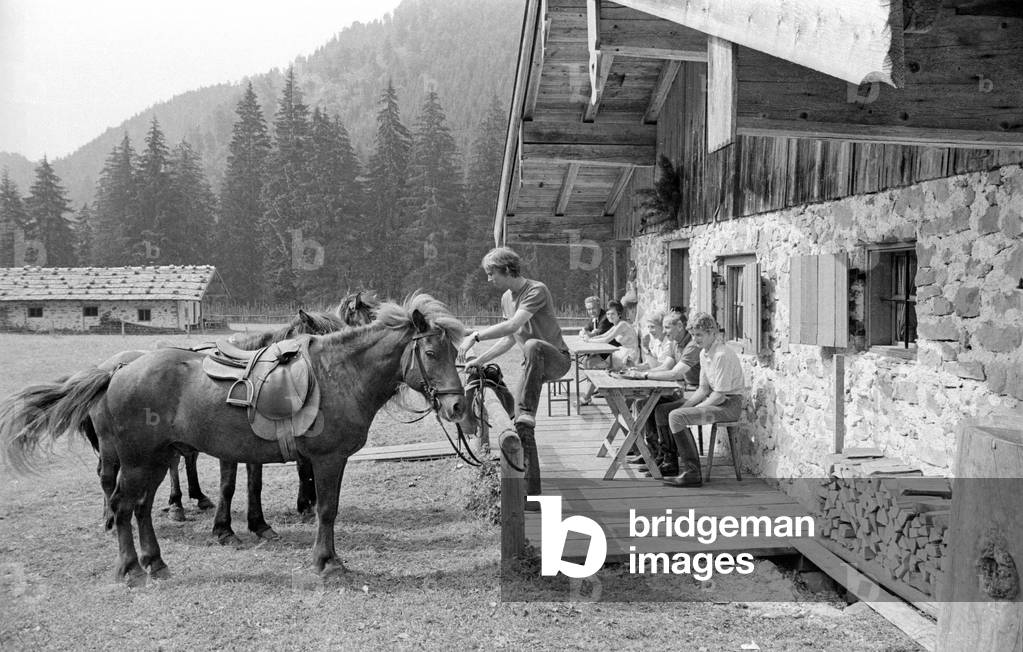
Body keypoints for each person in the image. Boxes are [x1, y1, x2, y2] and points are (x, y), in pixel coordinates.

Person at [457, 247, 571, 507]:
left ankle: (527, 410)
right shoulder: (507, 298)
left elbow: (513, 326)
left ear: (507, 269)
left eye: (491, 273)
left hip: (556, 360)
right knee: (521, 427)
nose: (489, 279)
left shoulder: (536, 290)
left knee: (532, 346)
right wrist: (480, 359)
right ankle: (532, 496)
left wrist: (475, 336)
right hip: (532, 366)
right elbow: (509, 338)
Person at [659, 312, 745, 488]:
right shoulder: (704, 354)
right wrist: (688, 406)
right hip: (717, 399)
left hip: (729, 405)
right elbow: (703, 389)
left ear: (713, 333)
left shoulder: (721, 355)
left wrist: (692, 412)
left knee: (677, 417)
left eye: (700, 335)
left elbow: (720, 395)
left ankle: (692, 473)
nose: (696, 339)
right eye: (693, 335)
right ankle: (670, 462)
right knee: (672, 412)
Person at [620, 310, 701, 476]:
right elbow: (665, 367)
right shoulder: (676, 343)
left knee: (661, 410)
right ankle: (655, 454)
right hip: (684, 390)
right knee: (645, 403)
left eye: (667, 327)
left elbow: (674, 374)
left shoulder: (691, 345)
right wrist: (639, 374)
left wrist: (644, 375)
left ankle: (670, 461)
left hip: (696, 393)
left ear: (680, 326)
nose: (664, 332)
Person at [579, 300, 641, 405]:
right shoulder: (616, 325)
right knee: (590, 361)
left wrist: (589, 340)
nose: (609, 316)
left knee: (592, 363)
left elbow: (607, 339)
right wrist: (589, 337)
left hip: (629, 356)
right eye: (608, 313)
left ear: (619, 314)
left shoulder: (623, 325)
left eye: (613, 314)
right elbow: (603, 335)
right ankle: (594, 394)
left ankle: (589, 396)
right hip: (622, 352)